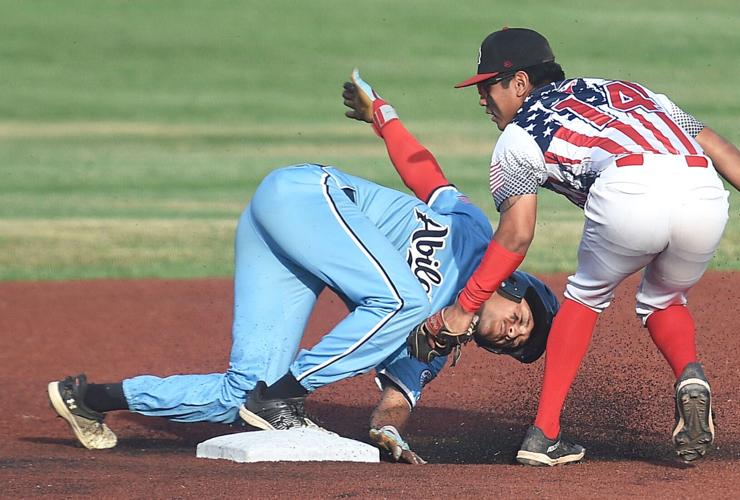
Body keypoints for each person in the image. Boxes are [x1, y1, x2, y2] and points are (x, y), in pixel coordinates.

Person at [46, 70, 560, 464]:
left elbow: (398, 398)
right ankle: (287, 396)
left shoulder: (430, 344)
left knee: (243, 395)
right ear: (516, 286)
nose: (513, 333)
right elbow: (425, 173)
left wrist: (389, 432)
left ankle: (91, 397)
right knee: (401, 300)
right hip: (306, 195)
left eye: (513, 344)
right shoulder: (471, 229)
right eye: (525, 319)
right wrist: (382, 114)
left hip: (280, 243)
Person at [416, 27, 740, 465]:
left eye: (488, 87)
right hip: (704, 192)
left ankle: (544, 435)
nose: (483, 100)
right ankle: (689, 375)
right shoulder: (627, 90)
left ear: (520, 82)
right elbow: (715, 146)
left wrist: (467, 305)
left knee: (585, 297)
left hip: (627, 191)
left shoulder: (517, 136)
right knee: (663, 298)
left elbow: (517, 234)